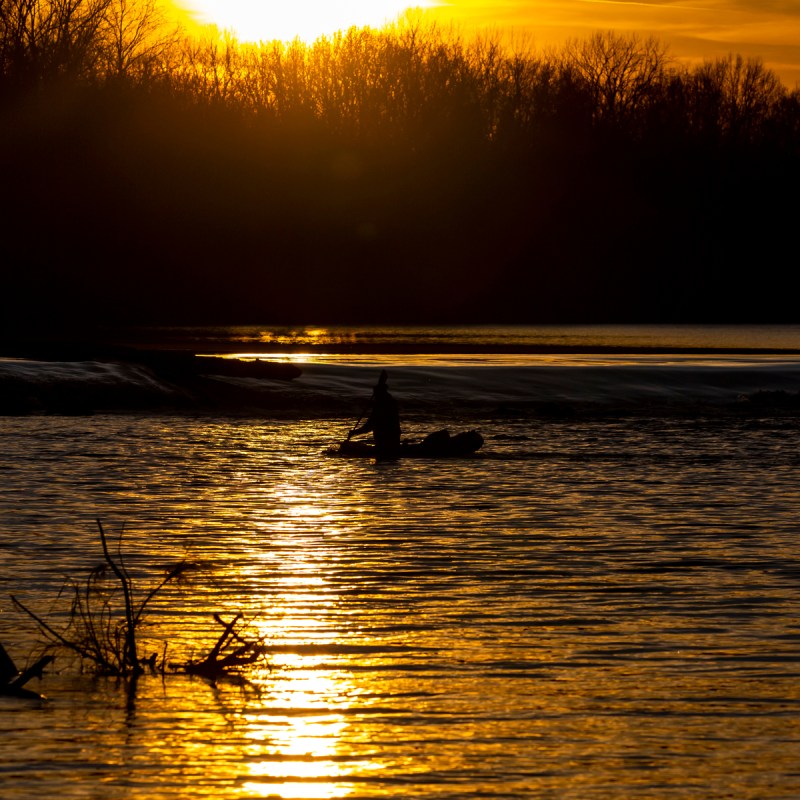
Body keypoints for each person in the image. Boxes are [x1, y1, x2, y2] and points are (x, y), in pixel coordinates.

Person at [349, 369, 401, 458]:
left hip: (385, 444)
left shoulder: (382, 406)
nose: (375, 396)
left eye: (376, 394)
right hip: (394, 441)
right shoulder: (391, 402)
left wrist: (354, 432)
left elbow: (370, 425)